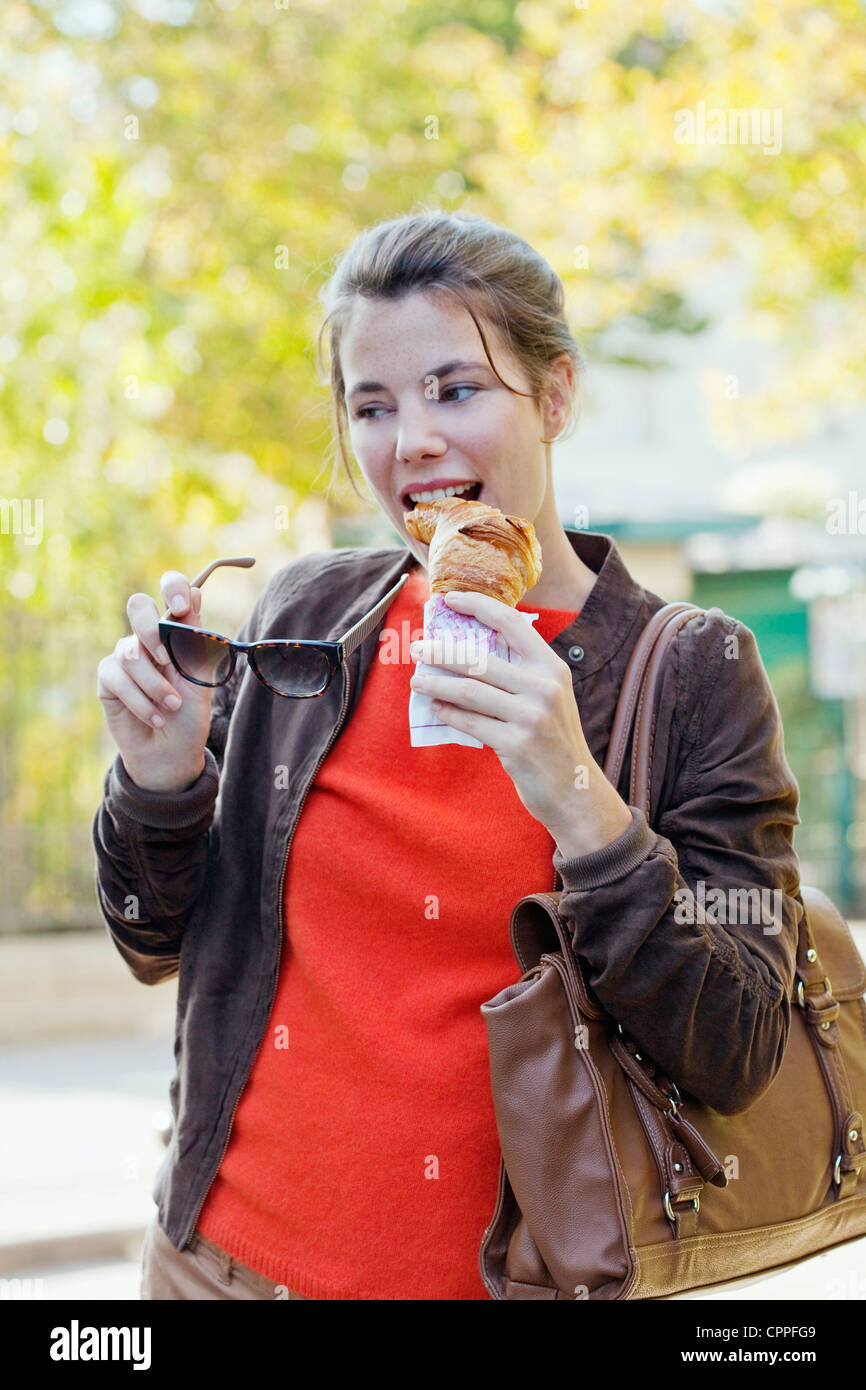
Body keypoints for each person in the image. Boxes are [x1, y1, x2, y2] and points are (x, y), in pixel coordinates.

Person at [93, 209, 804, 1301]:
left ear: (554, 395)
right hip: (209, 1267)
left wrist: (581, 803)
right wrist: (161, 777)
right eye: (370, 405)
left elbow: (737, 1049)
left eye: (454, 389)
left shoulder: (692, 670)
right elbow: (155, 939)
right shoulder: (308, 622)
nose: (410, 439)